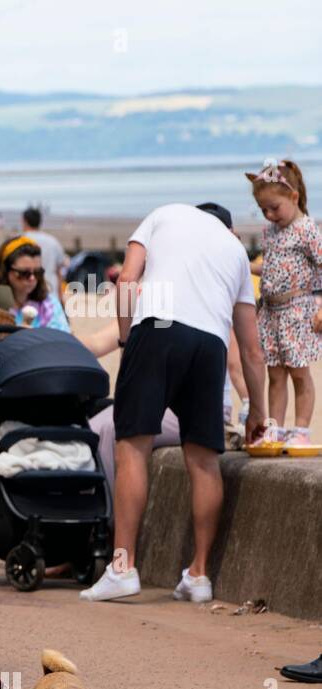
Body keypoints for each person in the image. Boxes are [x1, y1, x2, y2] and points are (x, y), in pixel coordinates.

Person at [81, 203, 267, 603]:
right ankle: (199, 575)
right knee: (203, 458)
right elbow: (252, 350)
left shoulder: (163, 214)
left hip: (159, 327)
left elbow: (128, 279)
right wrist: (260, 413)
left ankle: (122, 567)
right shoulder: (235, 250)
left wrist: (129, 335)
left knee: (132, 445)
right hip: (210, 345)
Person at [245, 160, 322, 447]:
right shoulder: (272, 233)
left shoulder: (307, 230)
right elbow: (274, 268)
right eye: (263, 210)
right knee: (274, 373)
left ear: (294, 197)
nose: (268, 214)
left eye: (274, 208)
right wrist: (246, 265)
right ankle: (275, 429)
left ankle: (301, 430)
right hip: (271, 312)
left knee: (299, 373)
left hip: (297, 311)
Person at [0, 235, 70, 332]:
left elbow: (62, 338)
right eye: (24, 273)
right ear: (4, 271)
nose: (32, 278)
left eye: (37, 272)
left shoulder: (49, 305)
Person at [21, 206, 66, 305]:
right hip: (51, 293)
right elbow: (59, 272)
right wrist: (60, 296)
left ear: (24, 221)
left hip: (26, 294)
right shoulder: (53, 241)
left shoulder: (19, 241)